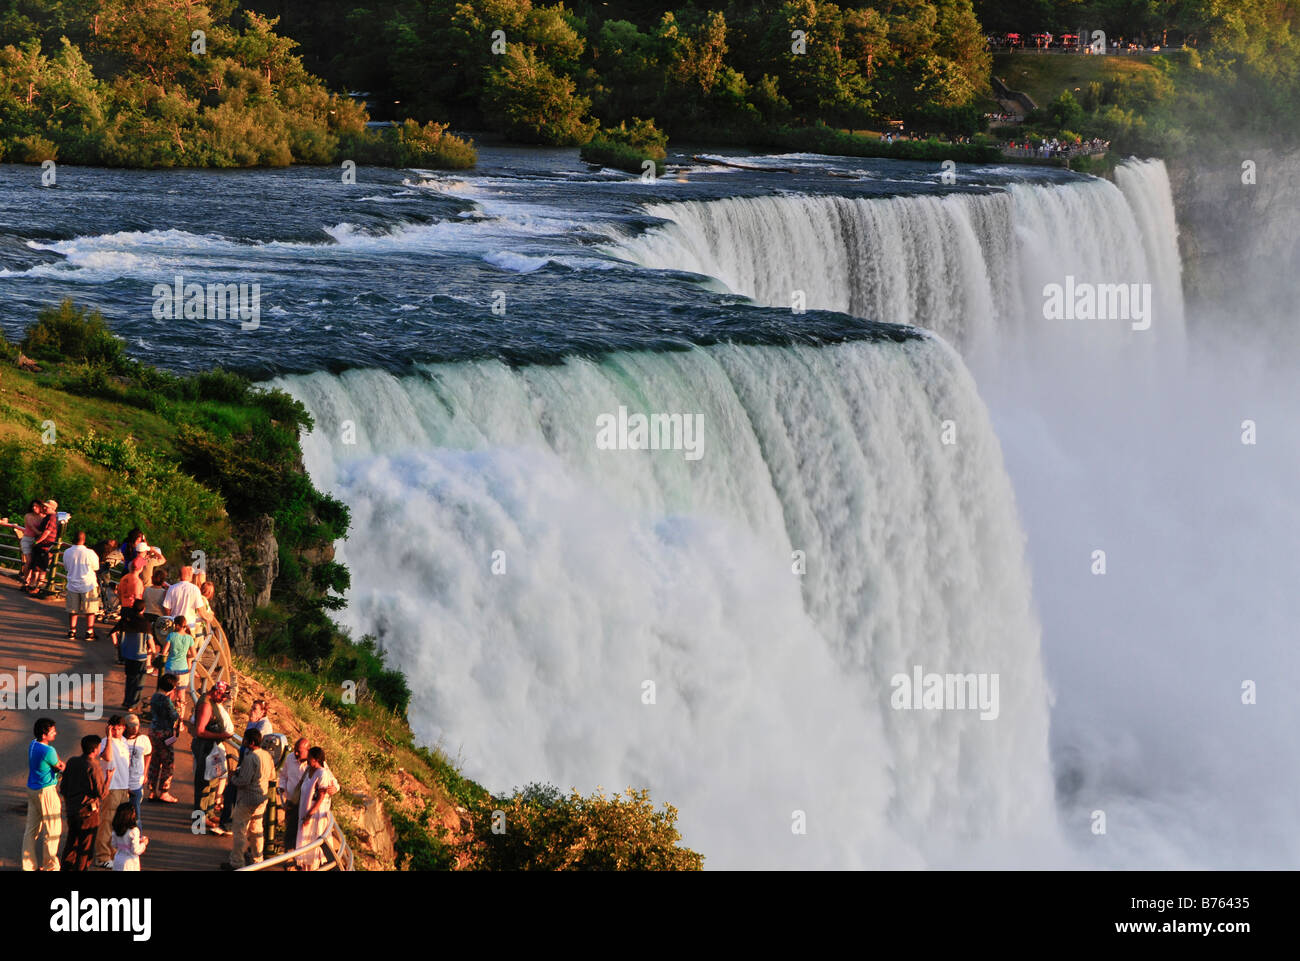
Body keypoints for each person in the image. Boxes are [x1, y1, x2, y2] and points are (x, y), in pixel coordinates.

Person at [219, 699, 273, 832]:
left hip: (251, 766)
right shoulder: (253, 722)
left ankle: (230, 825)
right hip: (244, 762)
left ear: (262, 712)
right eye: (251, 708)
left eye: (255, 709)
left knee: (234, 790)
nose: (251, 711)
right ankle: (226, 822)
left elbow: (254, 744)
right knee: (231, 792)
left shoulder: (264, 726)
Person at [225, 728, 275, 869]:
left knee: (240, 830)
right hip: (262, 798)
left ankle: (236, 862)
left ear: (251, 742)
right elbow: (272, 776)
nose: (244, 742)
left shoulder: (250, 758)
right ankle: (258, 859)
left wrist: (233, 778)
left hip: (247, 799)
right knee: (256, 830)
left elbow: (244, 780)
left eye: (245, 740)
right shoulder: (267, 756)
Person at [189, 681, 234, 834]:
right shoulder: (206, 705)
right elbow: (200, 731)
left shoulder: (212, 701)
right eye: (222, 696)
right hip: (205, 748)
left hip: (212, 747)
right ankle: (199, 820)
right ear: (216, 692)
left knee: (213, 781)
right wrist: (221, 735)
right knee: (203, 783)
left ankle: (209, 813)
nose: (223, 700)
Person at [59, 734, 107, 871]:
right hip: (88, 813)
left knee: (71, 842)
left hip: (72, 810)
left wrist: (70, 802)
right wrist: (108, 779)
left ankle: (66, 868)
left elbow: (63, 788)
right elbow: (101, 793)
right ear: (95, 749)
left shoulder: (73, 761)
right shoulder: (93, 766)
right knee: (85, 847)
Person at [21, 717, 64, 871]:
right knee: (52, 829)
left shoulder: (33, 744)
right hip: (46, 792)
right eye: (52, 731)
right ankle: (50, 866)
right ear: (45, 734)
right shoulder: (49, 750)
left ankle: (28, 866)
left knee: (31, 829)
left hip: (33, 790)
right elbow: (60, 766)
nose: (55, 733)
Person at [94, 715, 131, 869]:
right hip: (112, 787)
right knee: (107, 822)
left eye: (119, 728)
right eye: (113, 728)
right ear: (109, 728)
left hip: (123, 787)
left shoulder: (124, 742)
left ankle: (114, 852)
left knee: (119, 823)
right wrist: (109, 738)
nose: (116, 731)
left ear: (123, 728)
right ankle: (102, 857)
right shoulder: (104, 742)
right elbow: (107, 757)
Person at [296, 747, 340, 870]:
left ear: (316, 759)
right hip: (304, 812)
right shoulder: (309, 770)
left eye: (309, 757)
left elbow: (320, 796)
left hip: (313, 815)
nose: (307, 759)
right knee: (304, 844)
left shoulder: (322, 773)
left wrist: (310, 814)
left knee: (312, 843)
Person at [147, 674, 182, 804]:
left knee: (154, 762)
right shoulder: (166, 701)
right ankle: (164, 791)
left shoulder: (155, 696)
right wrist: (178, 706)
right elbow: (174, 716)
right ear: (172, 687)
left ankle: (152, 790)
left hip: (153, 731)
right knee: (168, 763)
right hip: (165, 734)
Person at [61, 531, 101, 640]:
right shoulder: (90, 553)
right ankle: (89, 631)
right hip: (88, 584)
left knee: (73, 610)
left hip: (72, 583)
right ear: (84, 540)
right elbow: (96, 567)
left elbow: (66, 567)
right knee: (90, 610)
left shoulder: (67, 552)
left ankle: (72, 631)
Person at [119, 595, 153, 711]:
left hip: (128, 654)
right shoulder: (145, 623)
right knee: (139, 681)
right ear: (143, 609)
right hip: (140, 656)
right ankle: (133, 704)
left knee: (130, 679)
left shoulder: (128, 620)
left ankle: (126, 701)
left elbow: (119, 634)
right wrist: (153, 651)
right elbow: (150, 641)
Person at [279, 738, 310, 853]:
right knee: (290, 833)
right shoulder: (290, 758)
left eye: (299, 751)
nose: (296, 753)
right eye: (295, 750)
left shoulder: (315, 763)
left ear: (308, 750)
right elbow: (283, 775)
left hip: (305, 805)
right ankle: (290, 860)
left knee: (302, 835)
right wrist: (281, 787)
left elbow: (332, 783)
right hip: (291, 802)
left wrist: (333, 788)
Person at [160, 616, 196, 714]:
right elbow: (194, 655)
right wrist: (186, 656)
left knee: (168, 692)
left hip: (170, 667)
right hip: (183, 669)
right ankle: (180, 719)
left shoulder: (171, 636)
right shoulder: (189, 638)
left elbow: (164, 652)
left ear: (176, 625)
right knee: (181, 694)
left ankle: (167, 714)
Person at [122, 714, 152, 829]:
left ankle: (137, 839)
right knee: (119, 814)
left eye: (137, 725)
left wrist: (145, 773)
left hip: (136, 783)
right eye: (131, 726)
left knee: (135, 814)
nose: (135, 728)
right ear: (125, 726)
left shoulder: (143, 739)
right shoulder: (120, 740)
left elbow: (148, 754)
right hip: (121, 784)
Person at [26, 499, 59, 595]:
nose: (44, 508)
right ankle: (33, 586)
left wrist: (37, 541)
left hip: (44, 546)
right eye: (44, 506)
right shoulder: (48, 517)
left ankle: (36, 587)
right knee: (38, 566)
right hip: (42, 545)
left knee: (39, 567)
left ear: (52, 508)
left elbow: (47, 532)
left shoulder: (51, 517)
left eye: (46, 507)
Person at [162, 566, 203, 632]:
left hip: (175, 626)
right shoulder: (195, 589)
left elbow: (166, 608)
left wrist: (170, 617)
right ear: (190, 575)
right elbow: (201, 610)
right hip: (189, 626)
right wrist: (208, 617)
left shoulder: (172, 588)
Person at [110, 802, 148, 871]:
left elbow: (114, 844)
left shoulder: (116, 829)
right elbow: (136, 850)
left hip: (118, 859)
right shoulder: (134, 831)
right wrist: (143, 844)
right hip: (130, 862)